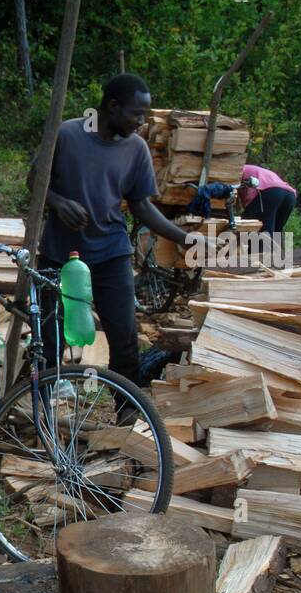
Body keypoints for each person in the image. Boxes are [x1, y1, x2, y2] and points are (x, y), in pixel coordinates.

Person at [28, 73, 210, 385]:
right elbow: (34, 182)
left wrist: (183, 237)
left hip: (110, 254)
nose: (141, 122)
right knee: (50, 336)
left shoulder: (136, 149)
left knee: (125, 339)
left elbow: (140, 204)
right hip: (60, 253)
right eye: (136, 114)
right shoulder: (68, 134)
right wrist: (58, 203)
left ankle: (128, 412)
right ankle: (40, 405)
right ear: (113, 107)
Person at [238, 163, 297, 238]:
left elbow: (244, 198)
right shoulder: (253, 170)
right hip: (290, 195)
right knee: (276, 233)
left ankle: (259, 248)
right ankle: (274, 249)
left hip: (271, 192)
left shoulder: (237, 170)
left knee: (259, 229)